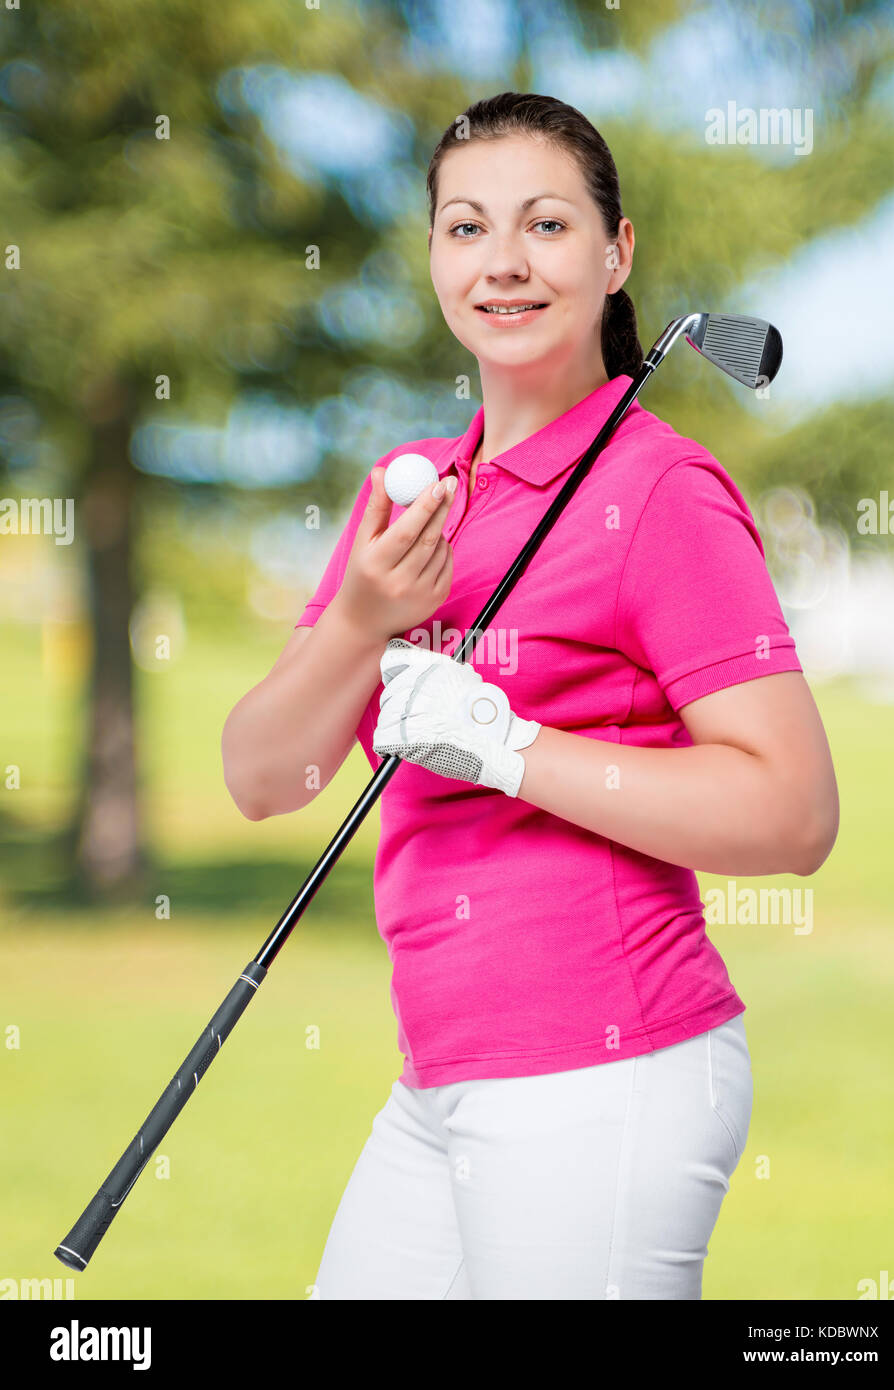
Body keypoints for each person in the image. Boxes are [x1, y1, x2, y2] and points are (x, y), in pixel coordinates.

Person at [221, 92, 839, 1299]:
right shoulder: (409, 495)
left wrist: (511, 749)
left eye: (546, 225)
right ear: (433, 257)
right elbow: (262, 778)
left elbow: (793, 812)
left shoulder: (661, 492)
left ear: (616, 255)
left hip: (609, 1077)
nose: (502, 261)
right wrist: (358, 617)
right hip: (442, 1076)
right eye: (465, 228)